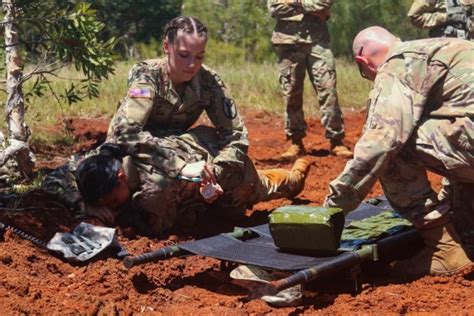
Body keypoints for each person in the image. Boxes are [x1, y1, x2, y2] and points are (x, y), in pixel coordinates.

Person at [324, 26, 473, 278]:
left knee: (394, 147)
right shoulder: (449, 47)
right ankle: (468, 235)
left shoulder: (398, 63)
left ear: (363, 62)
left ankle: (445, 249)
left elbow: (381, 141)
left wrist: (332, 209)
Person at [43, 129, 312, 235]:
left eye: (113, 201)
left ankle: (297, 171)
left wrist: (118, 216)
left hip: (225, 168)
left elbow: (157, 228)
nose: (111, 207)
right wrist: (82, 204)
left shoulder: (154, 189)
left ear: (122, 178)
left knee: (265, 187)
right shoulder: (100, 164)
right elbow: (52, 179)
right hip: (193, 174)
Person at [107, 16, 249, 194]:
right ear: (166, 47)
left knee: (235, 165)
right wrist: (180, 166)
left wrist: (215, 172)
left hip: (180, 149)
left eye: (199, 56)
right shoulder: (146, 76)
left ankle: (289, 178)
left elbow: (236, 135)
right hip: (140, 152)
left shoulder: (208, 81)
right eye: (184, 55)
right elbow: (126, 134)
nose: (192, 64)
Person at [267, 0, 353, 161]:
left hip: (318, 40)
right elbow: (274, 8)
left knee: (328, 88)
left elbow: (324, 4)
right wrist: (309, 6)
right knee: (291, 91)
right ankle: (296, 141)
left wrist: (294, 3)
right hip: (287, 42)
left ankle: (336, 140)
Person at [407, 0, 473, 40]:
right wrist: (445, 17)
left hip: (467, 45)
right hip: (442, 45)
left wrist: (469, 23)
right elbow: (415, 16)